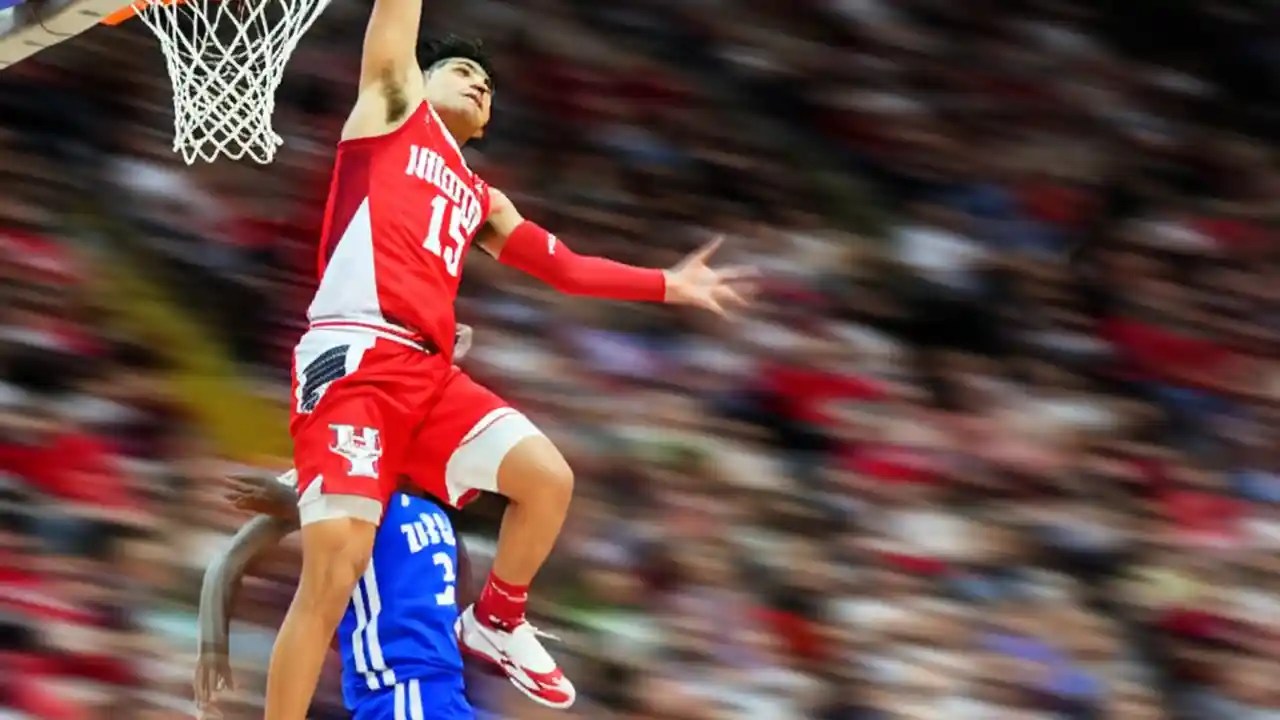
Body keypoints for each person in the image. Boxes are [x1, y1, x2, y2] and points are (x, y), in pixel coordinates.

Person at [272, 16, 752, 713]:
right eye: (462, 70)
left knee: (547, 479)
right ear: (421, 77)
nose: (478, 83)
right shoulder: (390, 109)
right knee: (331, 577)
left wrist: (667, 284)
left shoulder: (480, 196)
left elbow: (568, 270)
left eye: (489, 85)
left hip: (430, 376)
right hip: (358, 359)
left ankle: (495, 620)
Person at [194, 472, 477, 720]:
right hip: (429, 697)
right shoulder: (439, 522)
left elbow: (230, 560)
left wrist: (212, 645)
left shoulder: (376, 505)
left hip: (405, 696)